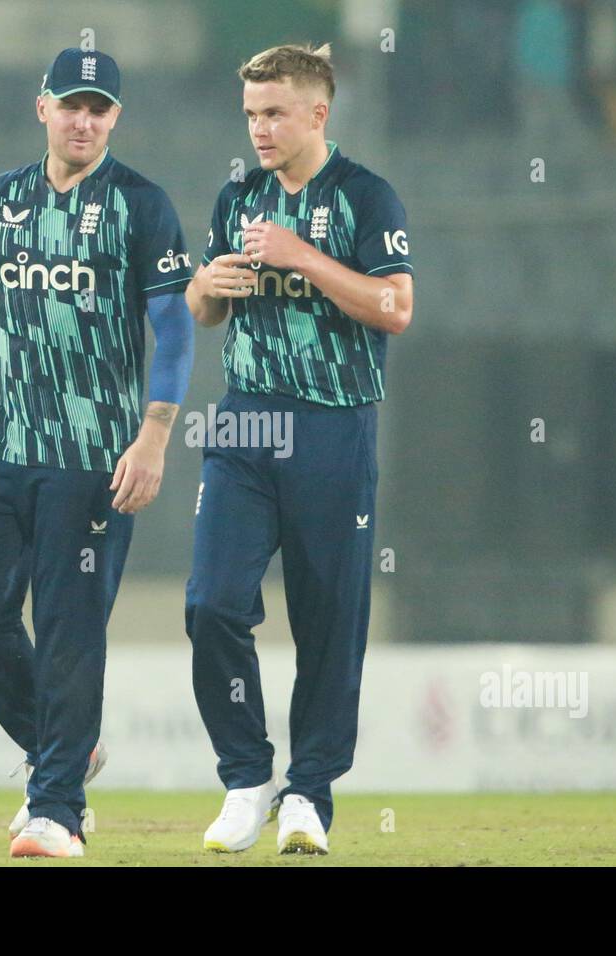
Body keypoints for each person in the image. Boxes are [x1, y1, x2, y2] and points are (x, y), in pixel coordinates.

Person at [0, 48, 194, 858]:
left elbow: (176, 329)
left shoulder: (141, 206)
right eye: (71, 104)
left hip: (94, 460)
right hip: (1, 450)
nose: (84, 120)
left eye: (100, 108)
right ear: (40, 106)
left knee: (72, 627)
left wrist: (154, 435)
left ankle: (58, 813)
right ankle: (66, 750)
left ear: (115, 118)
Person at [184, 43, 413, 855]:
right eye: (251, 114)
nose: (260, 130)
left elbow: (396, 306)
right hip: (245, 421)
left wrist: (304, 259)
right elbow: (203, 310)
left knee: (328, 618)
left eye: (275, 113)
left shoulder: (363, 195)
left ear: (319, 112)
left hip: (332, 423)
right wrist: (208, 287)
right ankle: (247, 777)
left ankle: (309, 793)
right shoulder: (237, 195)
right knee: (210, 603)